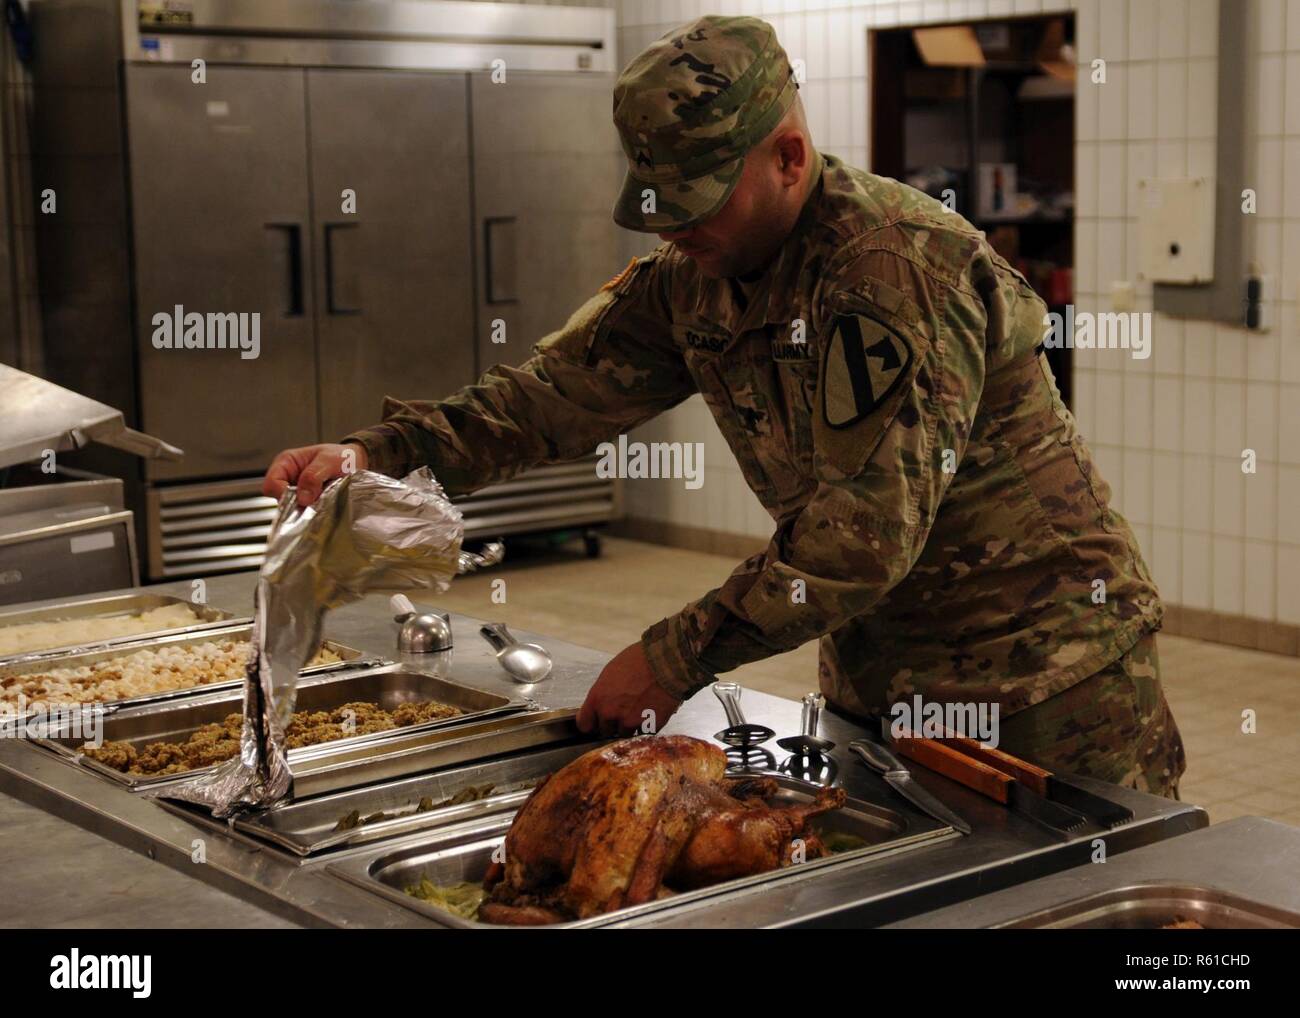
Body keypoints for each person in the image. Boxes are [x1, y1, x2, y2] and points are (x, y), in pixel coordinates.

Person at [265, 16, 1184, 797]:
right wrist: (377, 451)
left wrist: (673, 656)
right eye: (656, 203)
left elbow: (861, 539)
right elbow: (550, 397)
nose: (671, 228)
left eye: (696, 200)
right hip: (880, 674)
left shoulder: (890, 269)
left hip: (1048, 678)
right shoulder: (693, 275)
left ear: (789, 156)